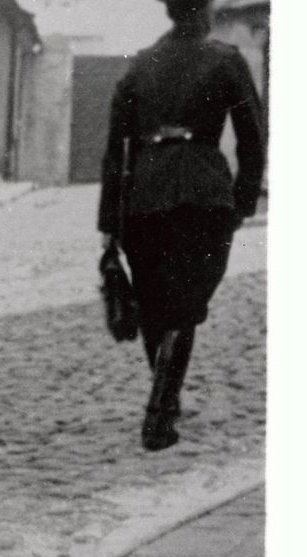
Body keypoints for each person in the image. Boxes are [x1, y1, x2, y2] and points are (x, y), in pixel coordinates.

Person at [98, 0, 264, 451]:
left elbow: (117, 149)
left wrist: (110, 221)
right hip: (203, 194)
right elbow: (253, 134)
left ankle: (164, 397)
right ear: (205, 13)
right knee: (187, 302)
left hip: (144, 196)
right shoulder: (225, 60)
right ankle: (159, 412)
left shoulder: (140, 64)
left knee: (154, 303)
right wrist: (244, 200)